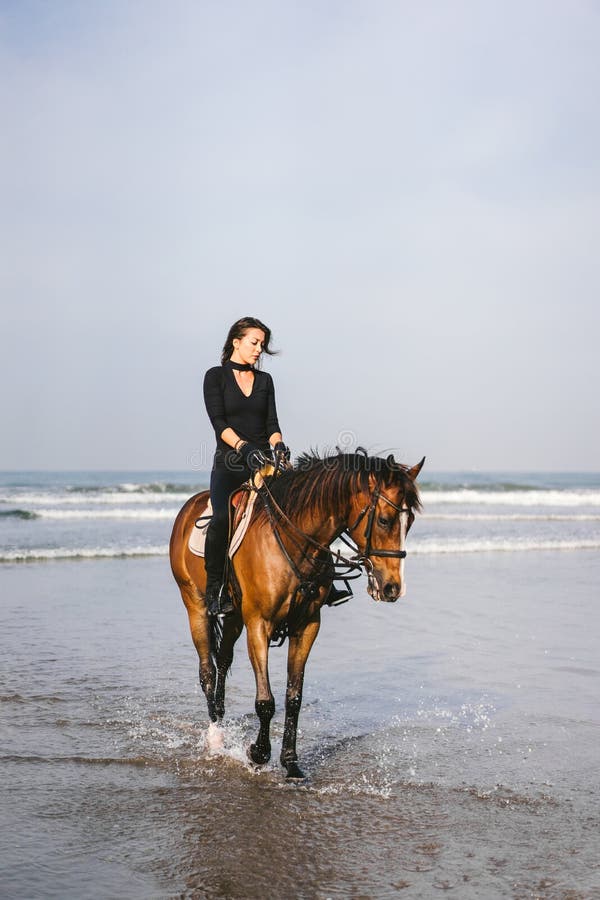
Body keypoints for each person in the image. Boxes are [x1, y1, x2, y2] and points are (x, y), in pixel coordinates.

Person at [202, 317, 288, 615]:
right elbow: (219, 424)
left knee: (300, 508)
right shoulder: (215, 377)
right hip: (230, 463)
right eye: (254, 343)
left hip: (264, 464)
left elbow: (272, 424)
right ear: (236, 341)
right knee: (222, 518)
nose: (258, 350)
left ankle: (324, 584)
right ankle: (214, 591)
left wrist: (277, 444)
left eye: (262, 345)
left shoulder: (265, 381)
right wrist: (243, 447)